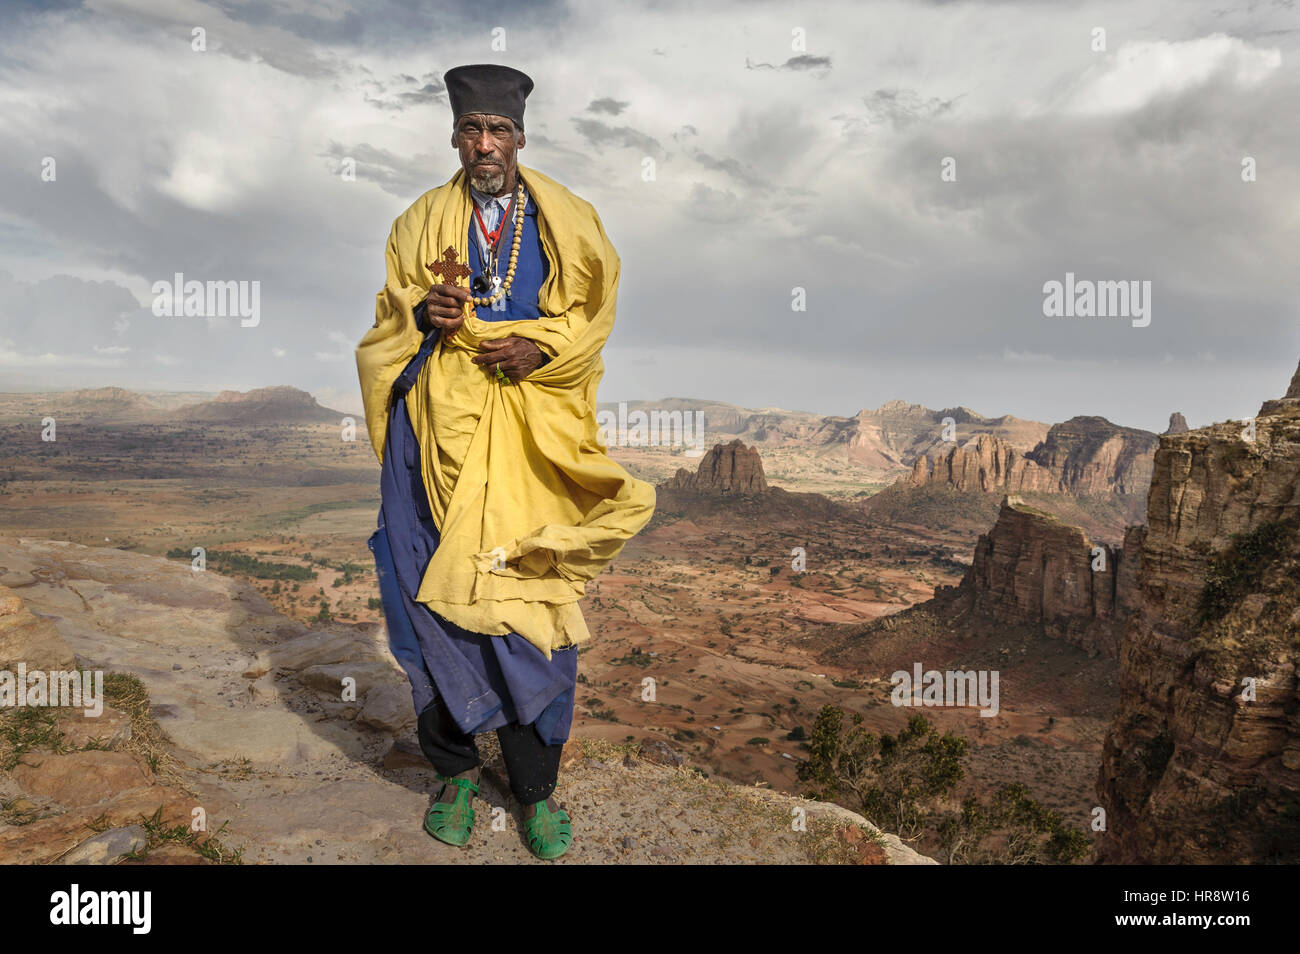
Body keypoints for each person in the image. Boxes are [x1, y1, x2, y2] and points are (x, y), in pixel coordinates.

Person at [356, 63, 655, 860]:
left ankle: (534, 791)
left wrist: (541, 344)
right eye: (470, 131)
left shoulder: (567, 218)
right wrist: (423, 314)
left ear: (520, 138)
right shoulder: (419, 221)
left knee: (530, 604)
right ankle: (453, 773)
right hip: (433, 435)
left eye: (498, 132)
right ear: (454, 137)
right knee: (429, 595)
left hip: (529, 435)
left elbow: (593, 320)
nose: (483, 145)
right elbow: (387, 327)